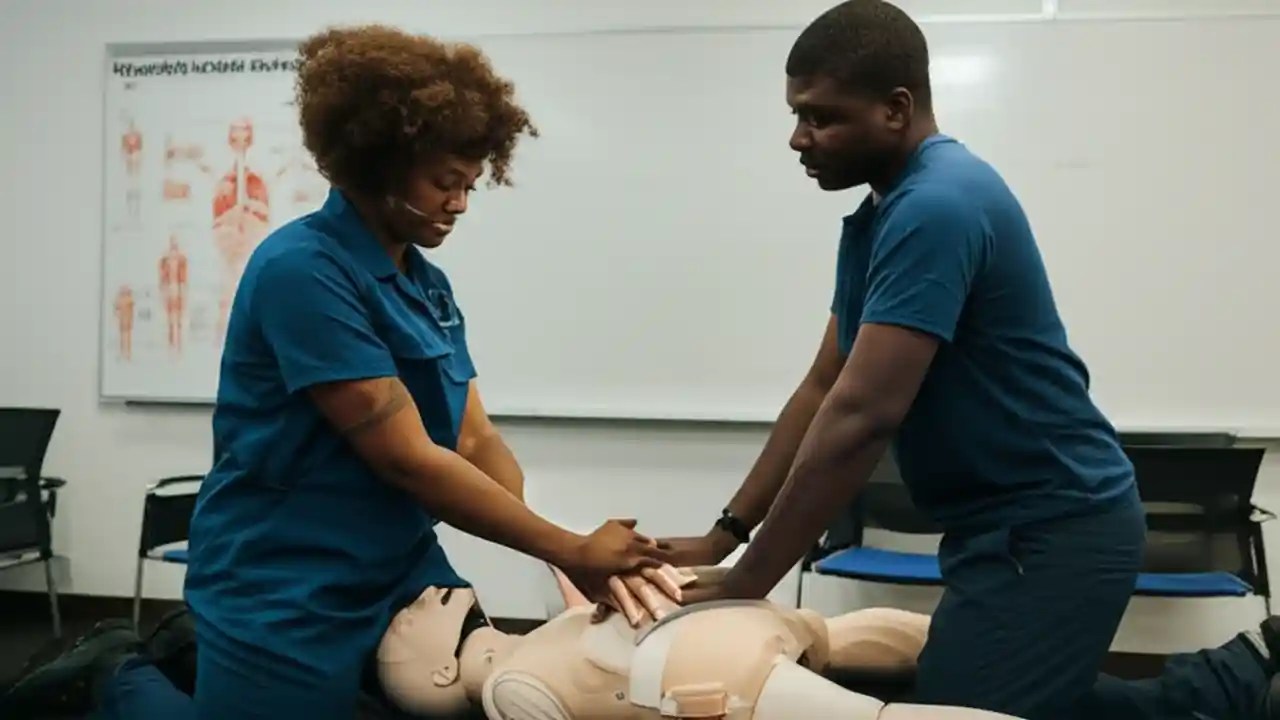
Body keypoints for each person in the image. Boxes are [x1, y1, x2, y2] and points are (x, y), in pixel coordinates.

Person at [3, 24, 670, 720]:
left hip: (397, 565)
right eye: (445, 183)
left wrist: (563, 565)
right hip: (283, 576)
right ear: (379, 163)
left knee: (465, 702)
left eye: (472, 184)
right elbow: (410, 460)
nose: (461, 204)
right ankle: (115, 675)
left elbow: (473, 442)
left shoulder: (429, 286)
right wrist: (574, 547)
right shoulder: (302, 270)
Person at [653, 1, 1197, 717]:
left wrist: (748, 580)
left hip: (1051, 526)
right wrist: (726, 536)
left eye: (820, 117)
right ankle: (1239, 683)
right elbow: (824, 388)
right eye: (796, 114)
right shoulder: (888, 212)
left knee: (961, 711)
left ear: (896, 108)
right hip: (1008, 526)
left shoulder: (939, 205)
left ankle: (1235, 688)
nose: (798, 138)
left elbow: (862, 417)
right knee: (1012, 698)